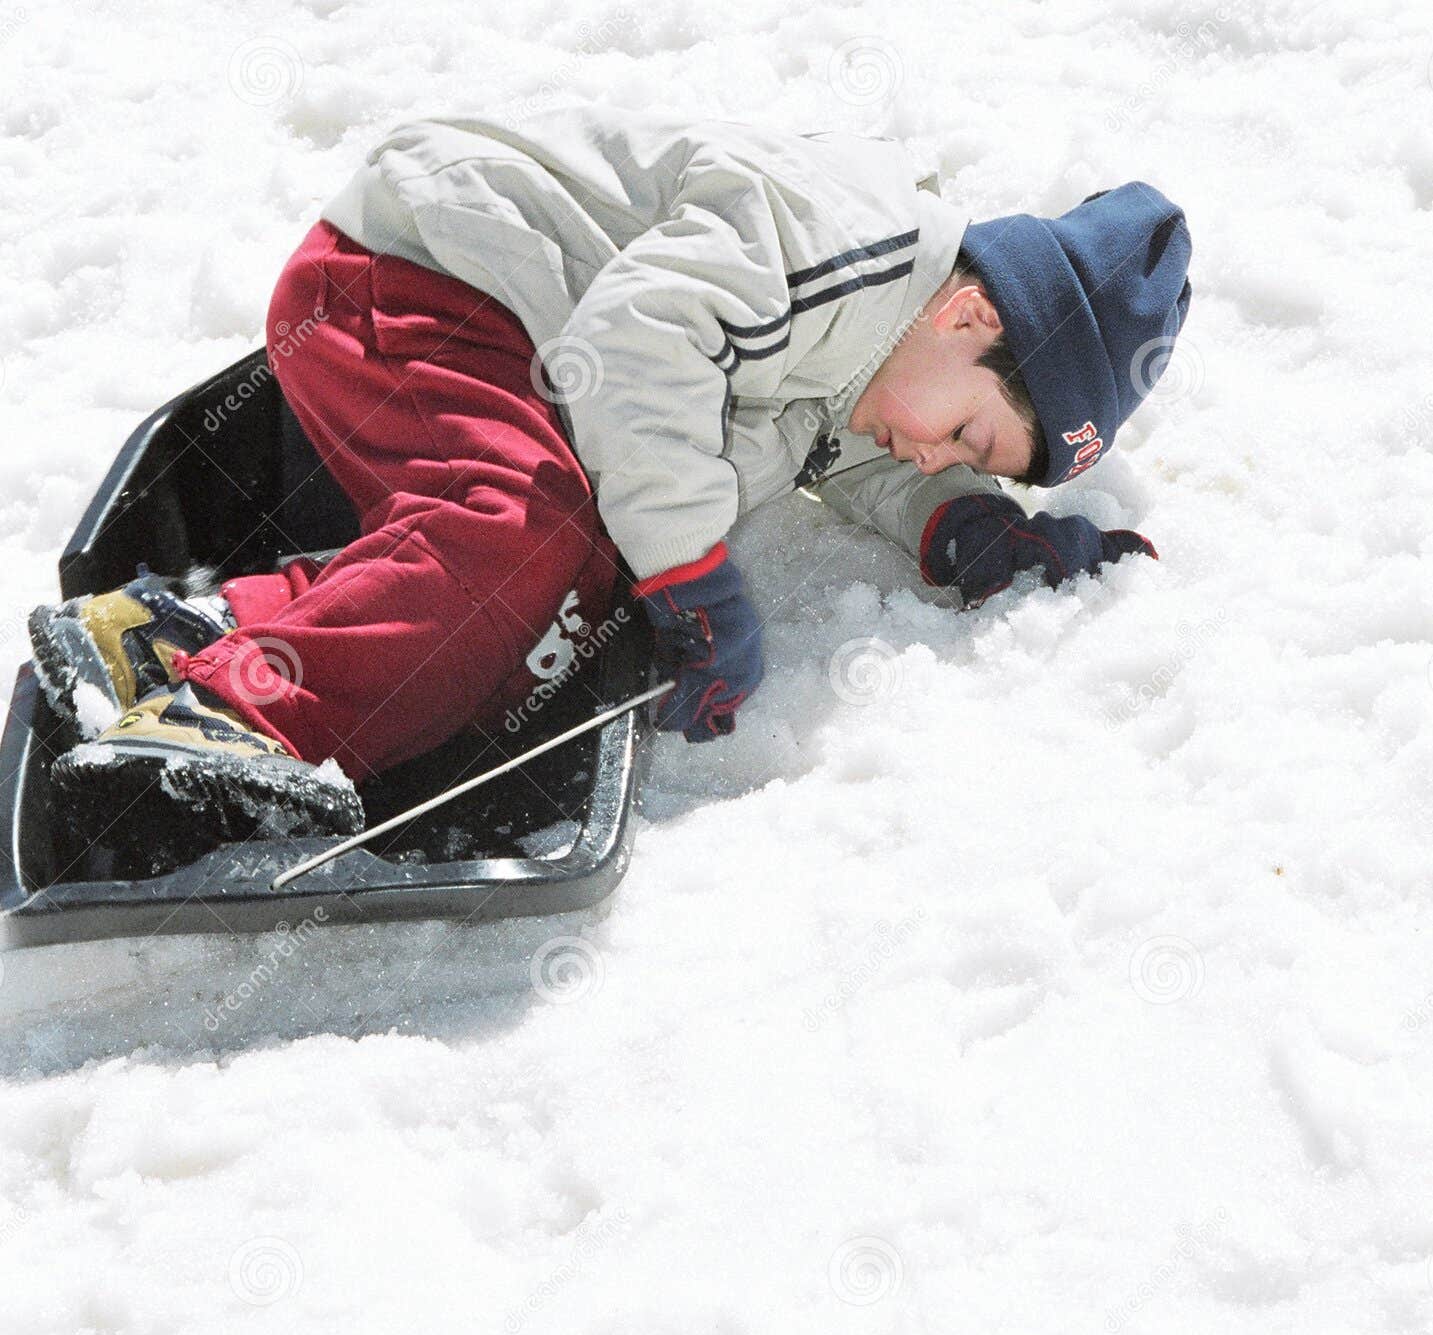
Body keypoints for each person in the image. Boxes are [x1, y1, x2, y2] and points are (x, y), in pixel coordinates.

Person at [33, 101, 1191, 843]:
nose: (935, 454)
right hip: (418, 275)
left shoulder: (887, 356)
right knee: (526, 534)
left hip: (509, 345)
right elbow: (646, 337)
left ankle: (179, 637)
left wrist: (960, 519)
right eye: (972, 440)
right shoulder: (844, 243)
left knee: (574, 576)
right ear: (970, 315)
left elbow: (847, 450)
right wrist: (696, 574)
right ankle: (237, 720)